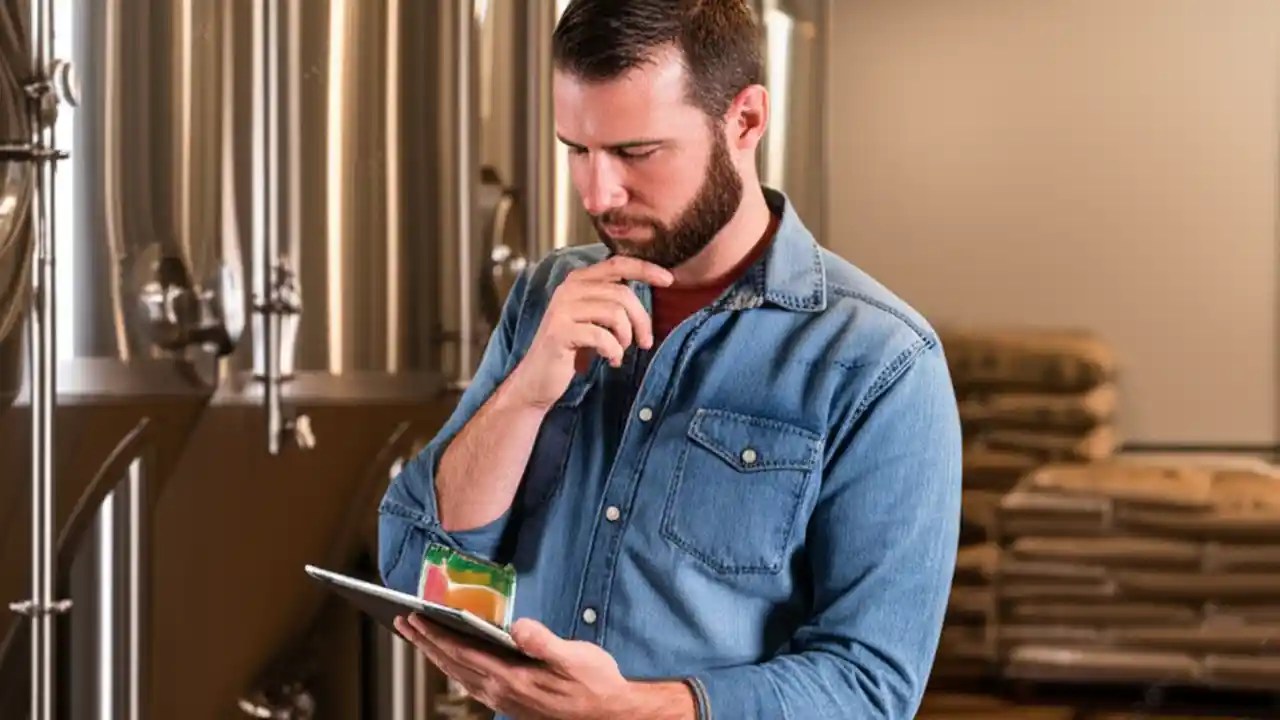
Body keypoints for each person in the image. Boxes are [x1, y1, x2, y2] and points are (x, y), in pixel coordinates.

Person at [378, 1, 963, 718]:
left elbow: (871, 686)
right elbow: (420, 572)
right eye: (577, 150)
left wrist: (629, 711)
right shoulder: (546, 301)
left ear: (744, 120)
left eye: (635, 152)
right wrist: (525, 395)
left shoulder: (879, 363)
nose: (599, 194)